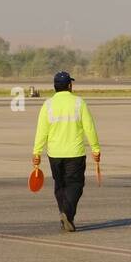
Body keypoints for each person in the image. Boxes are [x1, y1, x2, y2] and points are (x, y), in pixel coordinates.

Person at [32, 71, 101, 231]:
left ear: (55, 86)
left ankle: (65, 215)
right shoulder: (79, 103)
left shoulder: (48, 105)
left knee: (60, 185)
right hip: (75, 153)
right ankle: (67, 213)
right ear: (70, 85)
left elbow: (41, 131)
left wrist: (36, 153)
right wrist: (95, 149)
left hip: (54, 154)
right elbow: (89, 128)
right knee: (75, 184)